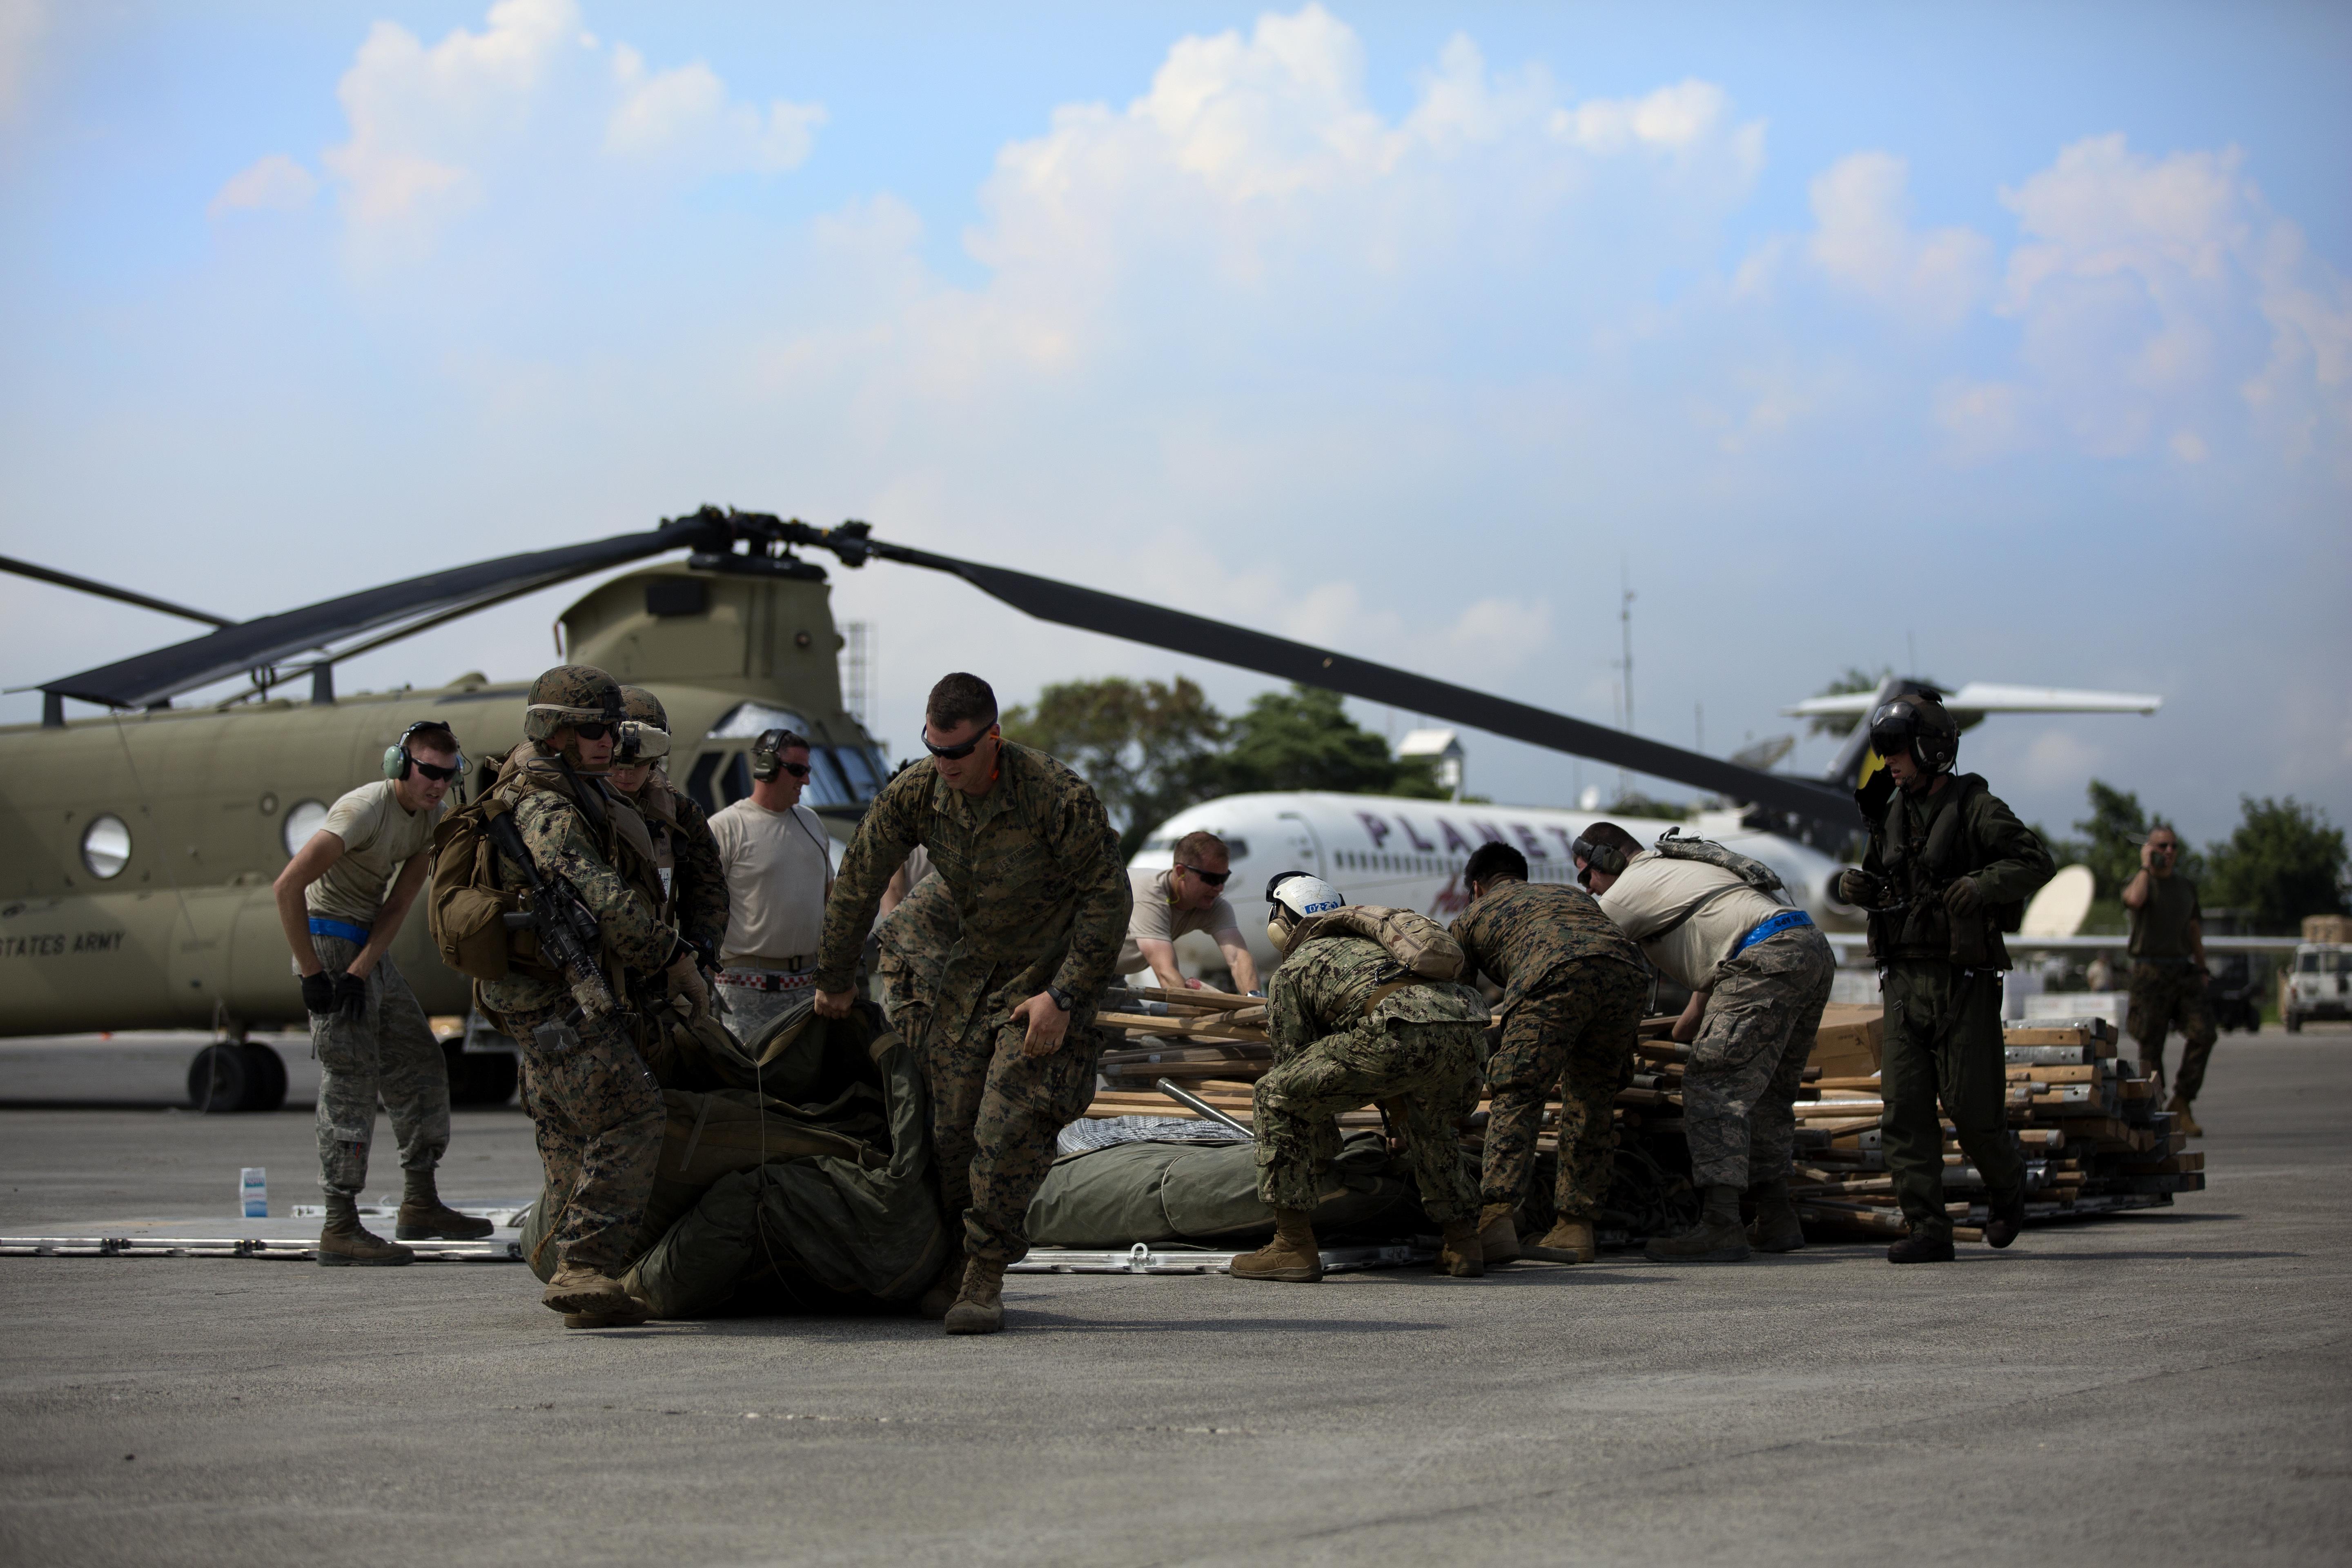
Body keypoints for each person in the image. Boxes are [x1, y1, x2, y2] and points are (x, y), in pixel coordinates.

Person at [811, 673, 1131, 1336]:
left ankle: (984, 1273)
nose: (945, 764)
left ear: (993, 739)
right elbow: (861, 876)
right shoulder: (918, 791)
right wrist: (836, 975)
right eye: (934, 748)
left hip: (1049, 980)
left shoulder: (1055, 795)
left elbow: (1108, 900)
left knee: (1006, 1125)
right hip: (971, 978)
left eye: (957, 752)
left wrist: (1065, 996)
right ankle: (954, 1259)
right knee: (949, 1130)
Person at [478, 665, 708, 1327]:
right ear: (554, 731)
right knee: (633, 1113)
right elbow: (603, 898)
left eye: (612, 729)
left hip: (538, 998)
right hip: (557, 996)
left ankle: (575, 1276)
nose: (610, 742)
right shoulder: (549, 807)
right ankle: (584, 1266)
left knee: (569, 1131)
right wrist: (673, 959)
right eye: (594, 730)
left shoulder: (560, 788)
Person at [1837, 692, 2053, 1265]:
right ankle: (1928, 1228)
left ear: (1931, 748)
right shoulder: (1890, 810)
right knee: (1903, 1110)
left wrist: (1982, 886)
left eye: (1897, 749)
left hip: (1963, 981)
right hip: (1903, 982)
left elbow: (2036, 861)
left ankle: (2008, 1187)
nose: (1888, 761)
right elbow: (1882, 879)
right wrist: (1858, 887)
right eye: (1884, 750)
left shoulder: (1976, 806)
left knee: (1973, 1110)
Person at [273, 719, 493, 1266]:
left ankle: (420, 1201)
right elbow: (288, 886)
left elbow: (399, 904)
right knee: (351, 1078)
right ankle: (340, 1225)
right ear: (401, 765)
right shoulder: (363, 812)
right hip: (326, 939)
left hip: (364, 948)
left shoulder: (431, 820)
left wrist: (362, 969)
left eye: (449, 775)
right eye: (429, 772)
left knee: (419, 1059)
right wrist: (313, 973)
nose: (438, 784)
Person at [1579, 822, 1837, 1263]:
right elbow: (1719, 956)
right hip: (1806, 946)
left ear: (1610, 859)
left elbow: (1578, 953)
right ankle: (1776, 1216)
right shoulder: (1683, 870)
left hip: (1761, 956)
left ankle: (1721, 1224)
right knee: (1768, 1092)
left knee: (1711, 1087)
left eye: (1587, 875)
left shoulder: (1627, 891)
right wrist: (1684, 1029)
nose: (1588, 888)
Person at [1233, 872, 1486, 1283]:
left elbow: (1293, 1065)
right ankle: (1463, 1243)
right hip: (1467, 1036)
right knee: (1431, 1126)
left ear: (1282, 923)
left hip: (1399, 1035)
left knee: (1273, 1095)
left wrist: (1321, 1154)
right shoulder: (1383, 946)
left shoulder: (1294, 969)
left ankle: (1292, 1245)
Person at [1450, 840, 1648, 1266]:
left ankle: (1496, 1218)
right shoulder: (1571, 895)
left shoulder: (1470, 917)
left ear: (1477, 887)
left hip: (1552, 970)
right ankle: (1576, 1227)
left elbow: (1458, 1009)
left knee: (1518, 1091)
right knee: (1593, 1097)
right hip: (1628, 972)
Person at [707, 727, 835, 1045]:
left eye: (807, 770)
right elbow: (703, 907)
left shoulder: (812, 823)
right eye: (798, 770)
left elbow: (831, 897)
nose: (806, 780)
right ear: (767, 766)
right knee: (752, 1074)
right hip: (745, 992)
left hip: (807, 989)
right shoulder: (726, 827)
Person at [607, 686, 728, 978]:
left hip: (660, 967)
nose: (626, 774)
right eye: (617, 762)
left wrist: (702, 943)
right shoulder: (575, 810)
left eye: (638, 764)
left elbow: (708, 886)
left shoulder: (679, 813)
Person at [2121, 824, 2215, 1136]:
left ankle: (2182, 1102)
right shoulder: (2142, 881)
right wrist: (2145, 866)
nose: (2170, 852)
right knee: (2151, 1045)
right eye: (2162, 846)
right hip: (2150, 972)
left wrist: (2202, 968)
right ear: (2150, 848)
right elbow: (2134, 900)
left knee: (2204, 1034)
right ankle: (2157, 1111)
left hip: (2182, 970)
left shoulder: (2185, 886)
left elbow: (2194, 929)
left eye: (2174, 846)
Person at [1117, 831, 1261, 994]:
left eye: (1224, 879)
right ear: (1181, 872)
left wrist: (1255, 1000)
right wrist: (1196, 1007)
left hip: (1110, 974)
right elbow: (1166, 974)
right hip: (1093, 970)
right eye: (1212, 879)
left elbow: (1238, 958)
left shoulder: (1213, 904)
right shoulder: (1150, 896)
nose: (1220, 888)